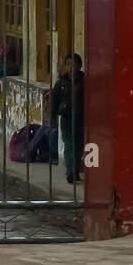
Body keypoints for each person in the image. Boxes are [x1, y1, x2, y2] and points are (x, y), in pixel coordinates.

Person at [51, 53, 85, 184]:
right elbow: (54, 101)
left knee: (79, 146)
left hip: (81, 118)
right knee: (69, 145)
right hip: (66, 118)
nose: (71, 68)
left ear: (80, 66)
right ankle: (70, 171)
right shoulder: (61, 83)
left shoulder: (85, 82)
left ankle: (75, 171)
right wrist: (53, 119)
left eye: (74, 65)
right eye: (68, 65)